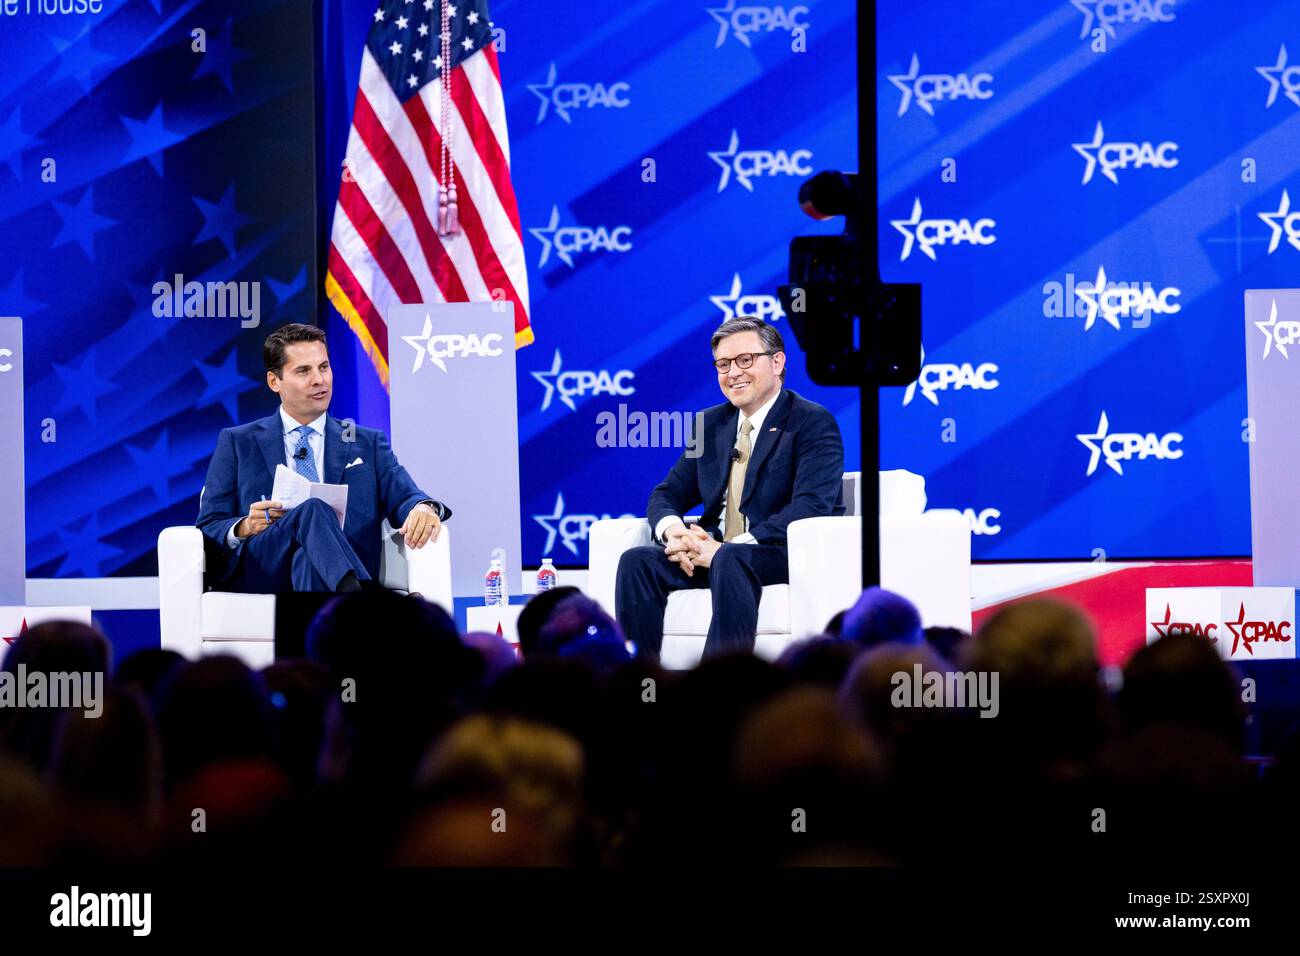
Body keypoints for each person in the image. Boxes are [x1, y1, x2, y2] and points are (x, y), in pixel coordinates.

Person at [614, 317, 844, 659]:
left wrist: (724, 547)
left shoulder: (811, 421)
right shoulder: (709, 424)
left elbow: (811, 506)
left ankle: (720, 692)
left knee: (731, 558)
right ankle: (641, 686)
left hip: (776, 553)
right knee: (638, 561)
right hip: (715, 554)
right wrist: (676, 533)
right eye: (723, 364)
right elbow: (668, 493)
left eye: (745, 360)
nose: (733, 372)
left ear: (777, 362)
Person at [196, 323, 450, 593]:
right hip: (264, 567)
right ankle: (366, 603)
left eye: (324, 367)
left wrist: (425, 508)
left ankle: (349, 599)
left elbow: (407, 497)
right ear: (274, 381)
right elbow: (209, 524)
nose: (319, 380)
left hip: (333, 570)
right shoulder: (238, 442)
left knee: (309, 559)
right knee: (313, 508)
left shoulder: (367, 442)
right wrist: (245, 526)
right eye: (303, 371)